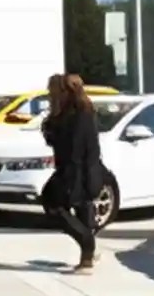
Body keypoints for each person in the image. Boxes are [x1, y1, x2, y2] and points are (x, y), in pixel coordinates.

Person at [41, 73, 103, 274]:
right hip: (77, 169)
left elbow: (76, 148)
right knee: (82, 209)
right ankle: (87, 256)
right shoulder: (73, 112)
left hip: (77, 170)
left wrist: (69, 177)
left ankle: (87, 244)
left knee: (53, 203)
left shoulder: (79, 114)